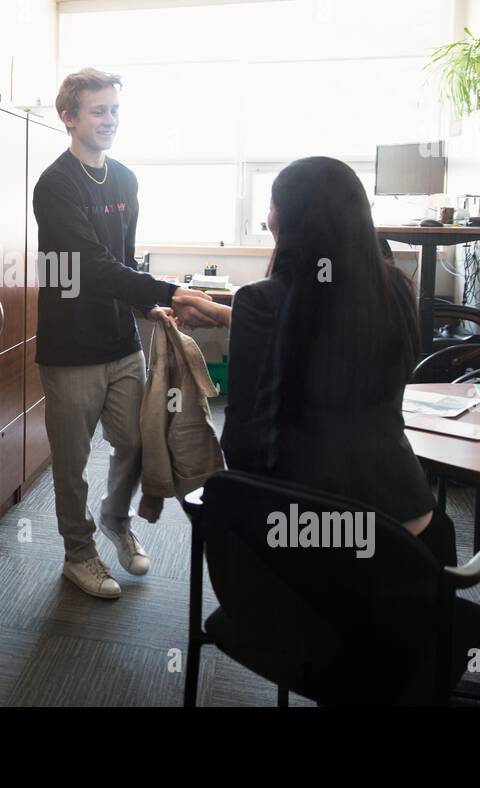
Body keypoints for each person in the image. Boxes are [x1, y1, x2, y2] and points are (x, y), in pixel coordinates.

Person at [173, 156, 453, 563]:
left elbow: (243, 441)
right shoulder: (394, 290)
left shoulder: (261, 301)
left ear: (284, 220)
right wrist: (233, 316)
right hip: (407, 534)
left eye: (271, 206)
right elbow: (324, 326)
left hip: (308, 538)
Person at [32, 67, 214, 598]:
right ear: (69, 117)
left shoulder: (127, 180)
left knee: (136, 442)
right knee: (70, 464)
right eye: (98, 111)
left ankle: (116, 518)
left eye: (114, 110)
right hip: (71, 349)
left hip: (121, 343)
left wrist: (147, 306)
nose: (110, 120)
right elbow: (88, 265)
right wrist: (168, 292)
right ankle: (79, 553)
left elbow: (124, 260)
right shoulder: (56, 185)